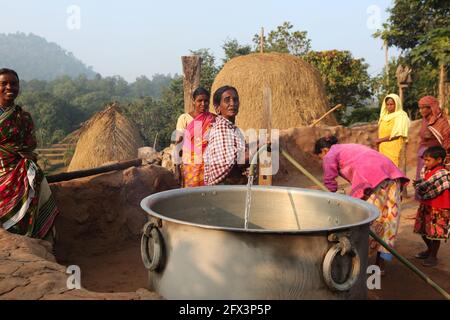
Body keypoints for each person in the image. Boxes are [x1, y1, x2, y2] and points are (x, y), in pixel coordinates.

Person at [314, 135, 409, 273]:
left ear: (323, 150)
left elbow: (329, 180)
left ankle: (357, 262)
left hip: (372, 179)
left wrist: (334, 196)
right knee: (389, 221)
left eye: (319, 157)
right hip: (391, 178)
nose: (322, 160)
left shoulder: (330, 153)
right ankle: (379, 266)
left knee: (364, 220)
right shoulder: (348, 148)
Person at [0, 68, 59, 241]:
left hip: (19, 169)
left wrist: (24, 158)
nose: (9, 87)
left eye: (14, 83)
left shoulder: (23, 117)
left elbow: (29, 145)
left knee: (34, 177)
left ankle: (31, 239)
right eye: (4, 84)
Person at [413, 146, 450, 267]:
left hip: (439, 208)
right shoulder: (426, 171)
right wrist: (419, 185)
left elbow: (440, 189)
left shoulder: (443, 174)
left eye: (428, 160)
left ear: (439, 160)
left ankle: (433, 256)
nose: (425, 162)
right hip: (426, 205)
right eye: (425, 159)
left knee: (435, 234)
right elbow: (424, 185)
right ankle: (429, 250)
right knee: (424, 231)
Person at [204, 86, 248, 185]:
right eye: (227, 100)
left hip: (235, 186)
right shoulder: (221, 128)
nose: (232, 103)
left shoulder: (235, 130)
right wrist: (259, 146)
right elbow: (234, 161)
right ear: (217, 108)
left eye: (235, 100)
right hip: (224, 189)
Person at [181, 88, 216, 187]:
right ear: (193, 101)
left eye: (206, 101)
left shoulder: (213, 119)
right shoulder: (184, 119)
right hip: (189, 164)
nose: (203, 103)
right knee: (191, 194)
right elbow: (178, 144)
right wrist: (176, 168)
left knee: (207, 193)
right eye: (199, 100)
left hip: (208, 163)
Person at [416, 96, 450, 182]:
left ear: (431, 108)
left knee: (432, 180)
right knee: (421, 179)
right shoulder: (424, 120)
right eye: (420, 108)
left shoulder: (441, 122)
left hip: (434, 157)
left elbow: (447, 142)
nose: (420, 111)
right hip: (423, 155)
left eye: (423, 108)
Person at [375, 94, 410, 167]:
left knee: (393, 168)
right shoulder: (384, 117)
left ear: (397, 104)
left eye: (391, 104)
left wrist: (380, 140)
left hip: (394, 147)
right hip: (383, 148)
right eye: (387, 104)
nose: (389, 106)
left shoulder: (401, 116)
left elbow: (397, 134)